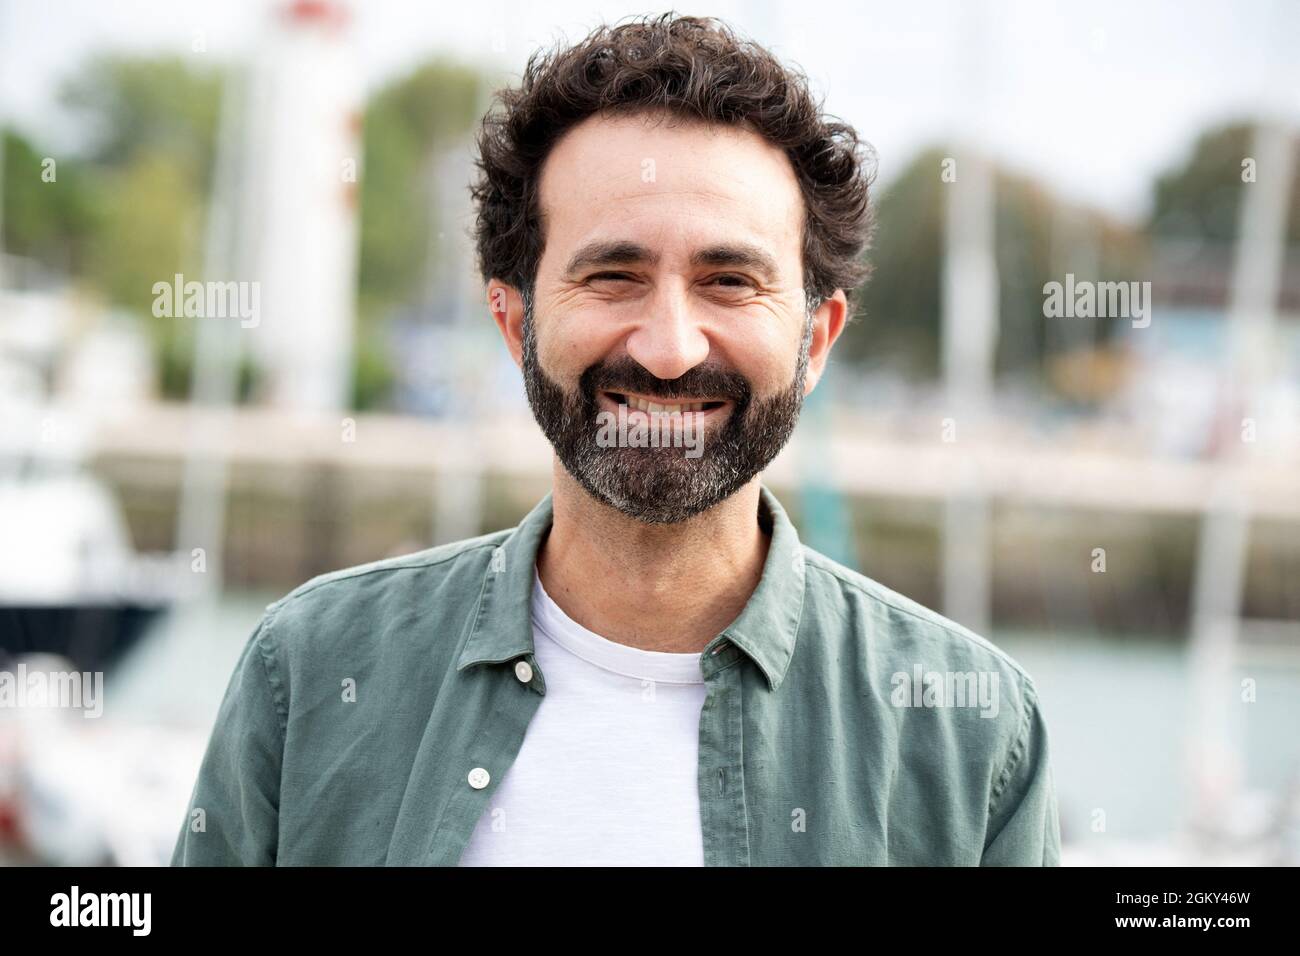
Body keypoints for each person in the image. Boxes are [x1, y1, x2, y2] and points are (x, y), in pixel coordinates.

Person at [172, 13, 1060, 866]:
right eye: (613, 274)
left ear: (817, 339)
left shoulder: (972, 734)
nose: (669, 349)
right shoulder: (309, 670)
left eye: (729, 280)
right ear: (513, 320)